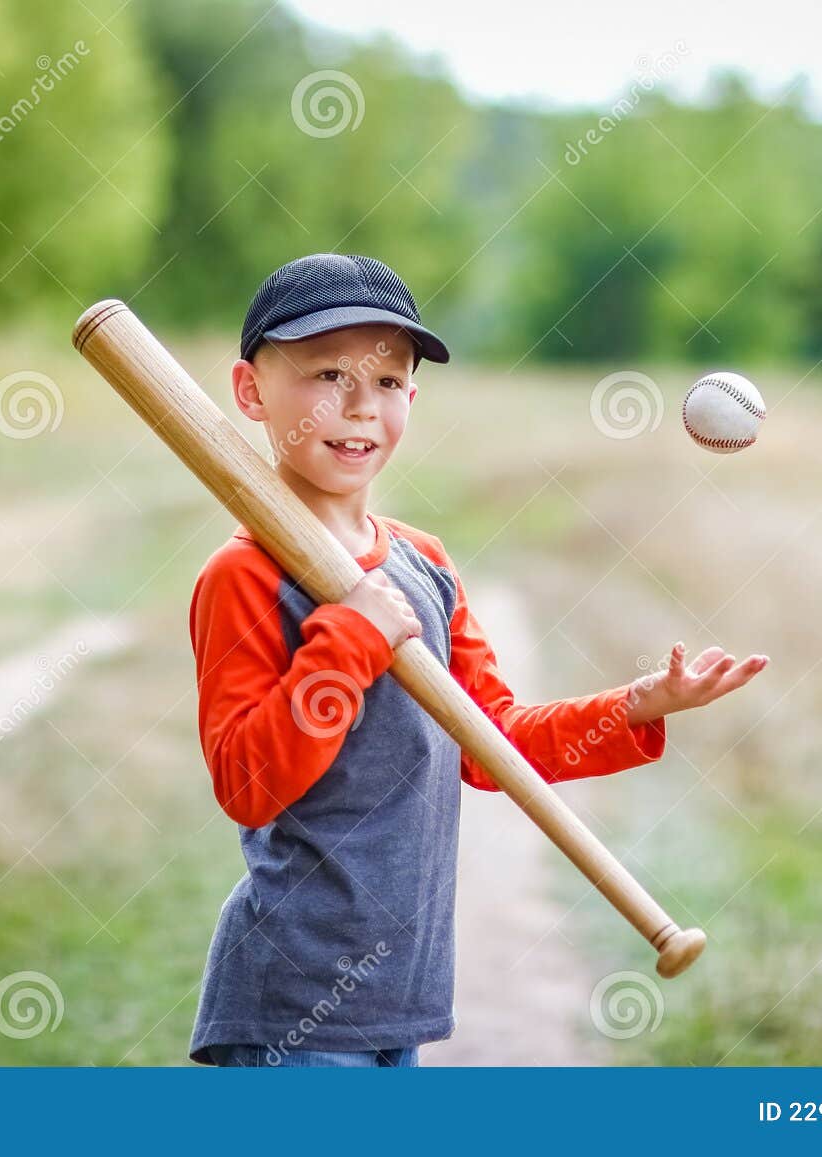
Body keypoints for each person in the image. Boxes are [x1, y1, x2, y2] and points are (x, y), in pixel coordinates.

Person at [187, 253, 769, 1067]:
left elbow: (492, 743)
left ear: (412, 399)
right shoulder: (245, 576)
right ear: (251, 392)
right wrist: (349, 640)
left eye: (388, 381)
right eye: (327, 373)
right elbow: (249, 785)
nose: (360, 405)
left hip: (404, 1001)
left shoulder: (423, 564)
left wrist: (637, 704)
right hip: (294, 1003)